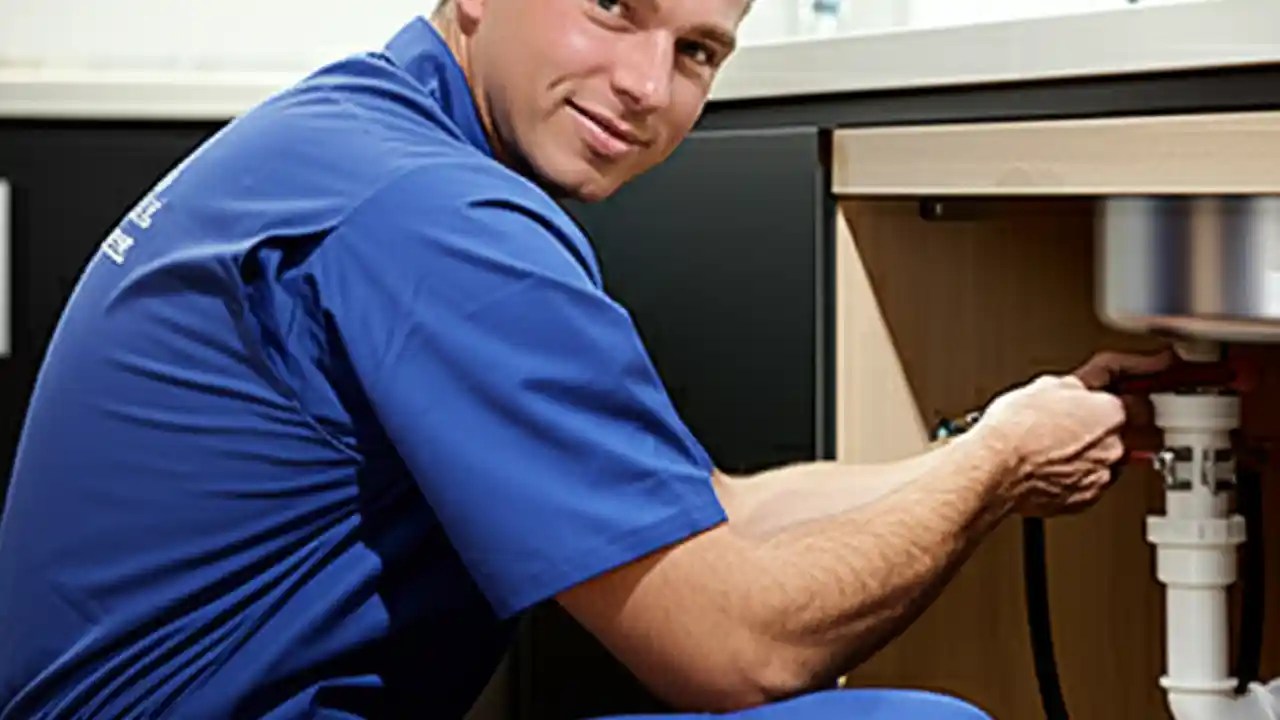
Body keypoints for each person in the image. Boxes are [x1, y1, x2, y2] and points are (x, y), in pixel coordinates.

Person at [0, 0, 1178, 717]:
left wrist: (990, 434)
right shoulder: (438, 219)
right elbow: (736, 646)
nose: (646, 89)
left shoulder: (356, 137)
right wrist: (994, 478)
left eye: (699, 51)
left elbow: (697, 515)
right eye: (613, 4)